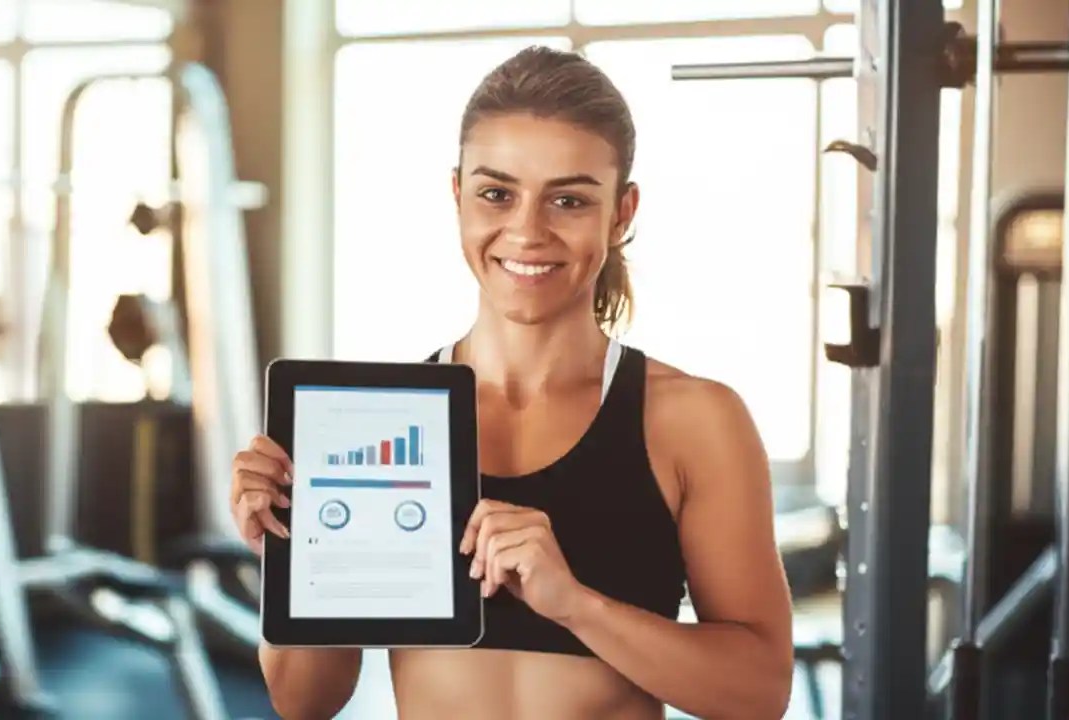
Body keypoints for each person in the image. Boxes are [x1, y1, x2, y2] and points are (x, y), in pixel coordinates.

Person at [230, 45, 794, 720]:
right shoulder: (376, 420)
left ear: (621, 213)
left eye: (569, 199)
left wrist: (575, 605)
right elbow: (303, 701)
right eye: (497, 193)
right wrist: (286, 552)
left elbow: (759, 692)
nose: (527, 232)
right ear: (457, 196)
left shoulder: (692, 420)